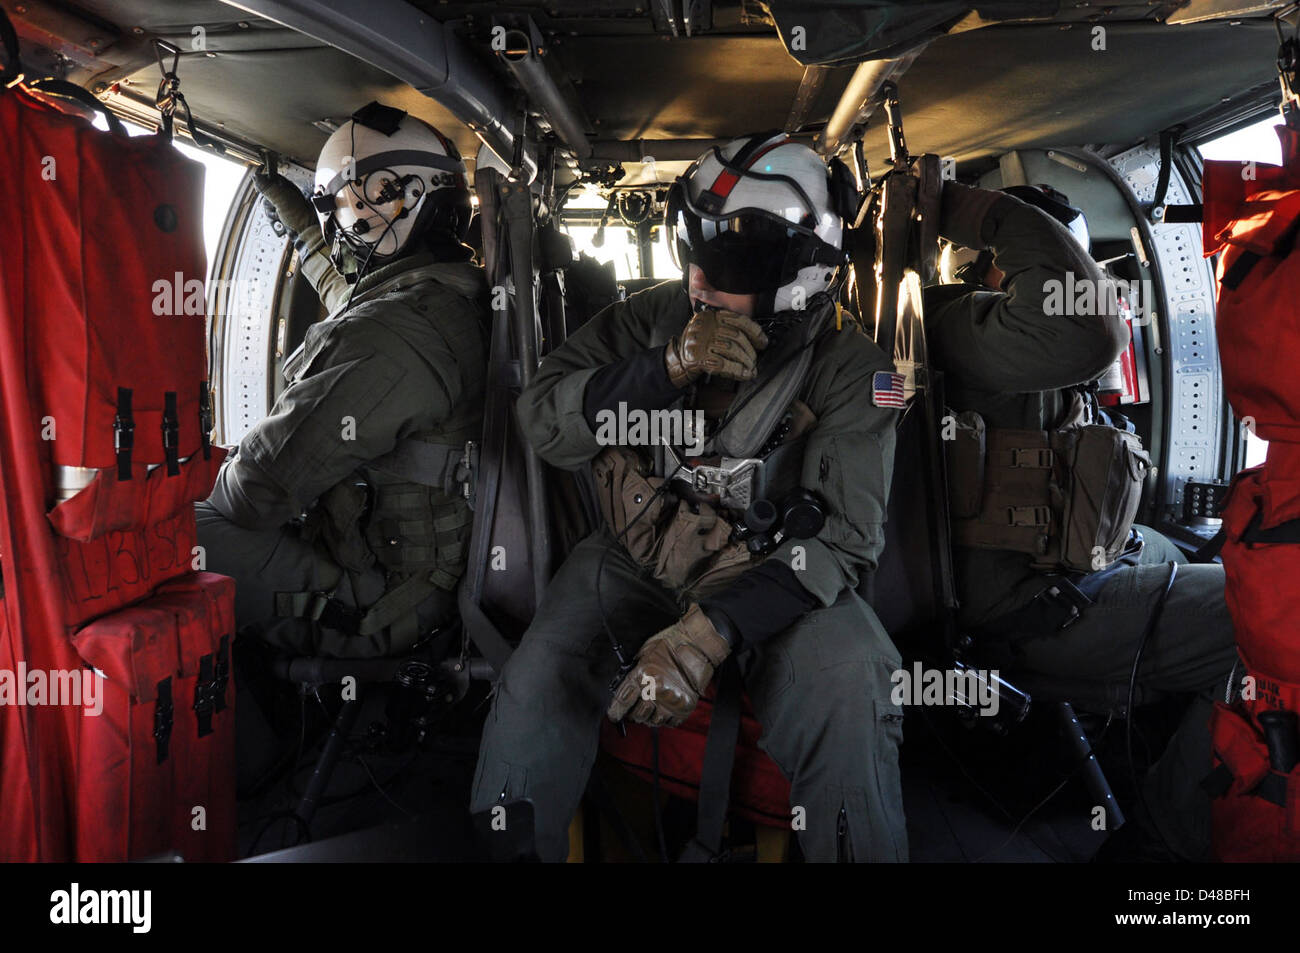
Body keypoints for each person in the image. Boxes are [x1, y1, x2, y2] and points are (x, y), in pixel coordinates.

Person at [470, 132, 908, 862]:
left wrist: (707, 635)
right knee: (539, 677)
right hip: (633, 554)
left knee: (853, 682)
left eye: (726, 266)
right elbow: (542, 419)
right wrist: (660, 369)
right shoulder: (651, 319)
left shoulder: (856, 373)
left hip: (770, 575)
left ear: (799, 275)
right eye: (694, 255)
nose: (699, 283)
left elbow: (843, 540)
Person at [930, 182, 1238, 859]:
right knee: (1267, 622)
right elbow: (1089, 327)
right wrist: (983, 211)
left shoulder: (1013, 351)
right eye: (1065, 262)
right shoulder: (966, 328)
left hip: (1089, 569)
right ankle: (1168, 835)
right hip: (1041, 615)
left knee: (1205, 552)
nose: (1086, 280)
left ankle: (1147, 764)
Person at [196, 102, 487, 659]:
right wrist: (301, 226)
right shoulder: (452, 294)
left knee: (177, 536)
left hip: (384, 604)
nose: (337, 224)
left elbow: (254, 497)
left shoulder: (385, 332)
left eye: (341, 207)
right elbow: (347, 294)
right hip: (442, 576)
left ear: (387, 198)